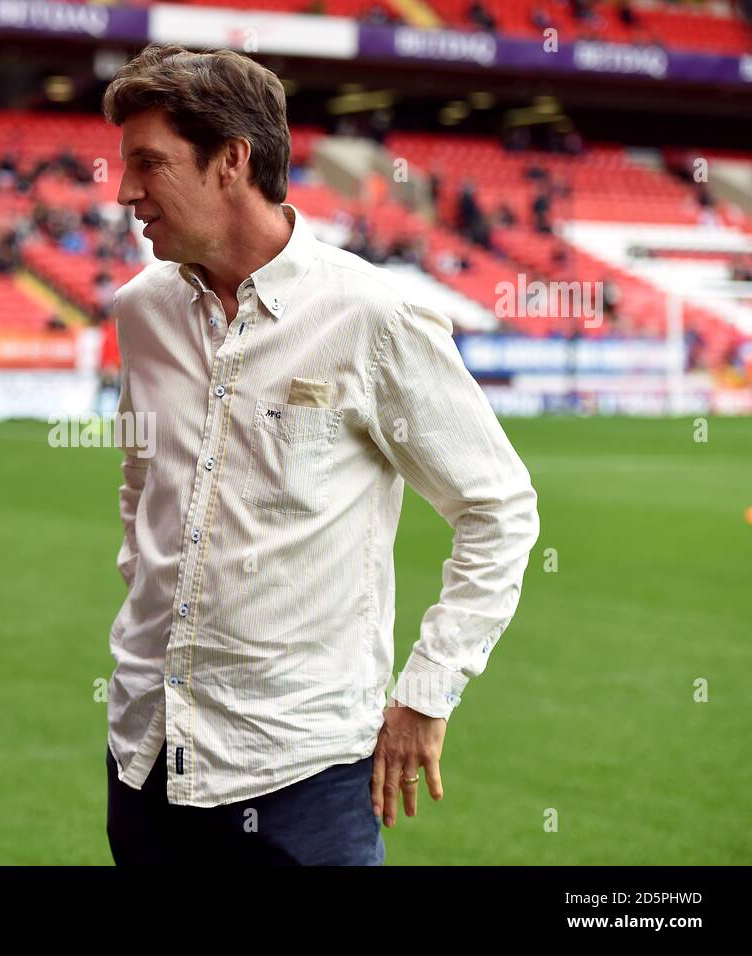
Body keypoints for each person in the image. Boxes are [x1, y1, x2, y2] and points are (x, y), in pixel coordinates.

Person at [101, 45, 539, 865]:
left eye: (149, 165)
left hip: (301, 776)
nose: (126, 193)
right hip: (146, 756)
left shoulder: (373, 316)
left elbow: (498, 510)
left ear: (232, 161)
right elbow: (142, 479)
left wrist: (428, 690)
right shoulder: (141, 311)